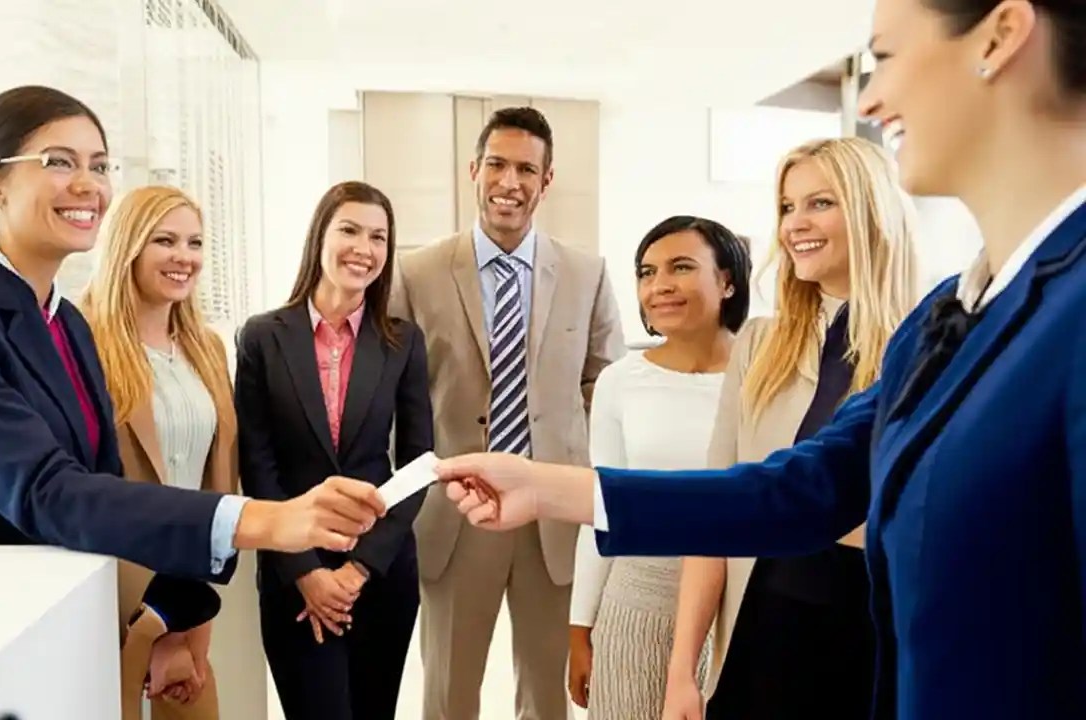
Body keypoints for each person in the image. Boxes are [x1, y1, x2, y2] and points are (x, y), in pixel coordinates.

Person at [432, 1, 1086, 716]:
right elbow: (793, 491)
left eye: (888, 57)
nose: (870, 98)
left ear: (1000, 36)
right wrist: (546, 488)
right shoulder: (947, 316)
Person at [0, 86, 385, 594]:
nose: (87, 185)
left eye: (99, 166)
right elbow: (46, 490)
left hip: (67, 613)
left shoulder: (63, 322)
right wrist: (268, 521)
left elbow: (106, 486)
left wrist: (175, 610)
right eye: (59, 162)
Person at [663, 138, 918, 720]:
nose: (795, 224)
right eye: (786, 207)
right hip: (765, 628)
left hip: (877, 636)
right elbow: (716, 513)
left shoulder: (925, 343)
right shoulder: (758, 344)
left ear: (870, 209)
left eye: (819, 203)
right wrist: (684, 670)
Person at [390, 106, 625, 719]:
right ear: (473, 169)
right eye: (497, 164)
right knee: (448, 691)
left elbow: (606, 390)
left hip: (553, 514)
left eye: (527, 169)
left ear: (547, 181)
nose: (510, 182)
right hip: (454, 511)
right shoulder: (415, 273)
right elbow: (391, 398)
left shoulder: (587, 273)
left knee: (548, 695)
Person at [235, 181, 432, 720]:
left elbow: (419, 464)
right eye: (349, 230)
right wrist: (308, 574)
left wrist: (357, 571)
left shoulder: (402, 341)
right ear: (320, 234)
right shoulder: (261, 338)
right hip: (294, 574)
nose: (363, 248)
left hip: (381, 570)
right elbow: (258, 467)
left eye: (378, 237)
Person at [567, 216, 751, 718]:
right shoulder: (619, 382)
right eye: (647, 272)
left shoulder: (762, 374)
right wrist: (580, 627)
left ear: (727, 281)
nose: (659, 285)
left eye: (681, 267)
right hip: (635, 604)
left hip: (737, 608)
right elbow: (600, 509)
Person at [81, 185, 237, 719]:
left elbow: (215, 486)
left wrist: (185, 618)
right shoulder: (85, 341)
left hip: (187, 595)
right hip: (117, 601)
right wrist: (151, 620)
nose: (184, 257)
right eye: (164, 240)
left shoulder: (206, 347)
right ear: (128, 246)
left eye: (195, 243)